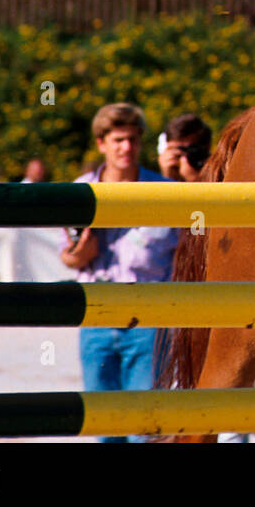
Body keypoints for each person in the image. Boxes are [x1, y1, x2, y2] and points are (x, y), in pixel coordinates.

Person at [60, 103, 176, 443]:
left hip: (149, 319)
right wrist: (86, 240)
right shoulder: (79, 191)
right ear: (101, 143)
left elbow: (184, 257)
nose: (126, 148)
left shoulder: (166, 193)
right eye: (118, 140)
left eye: (133, 140)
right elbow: (70, 258)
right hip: (96, 314)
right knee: (104, 424)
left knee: (145, 424)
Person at [156, 113, 213, 182]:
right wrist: (167, 177)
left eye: (191, 150)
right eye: (178, 154)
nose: (184, 159)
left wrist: (197, 180)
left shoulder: (222, 174)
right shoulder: (148, 180)